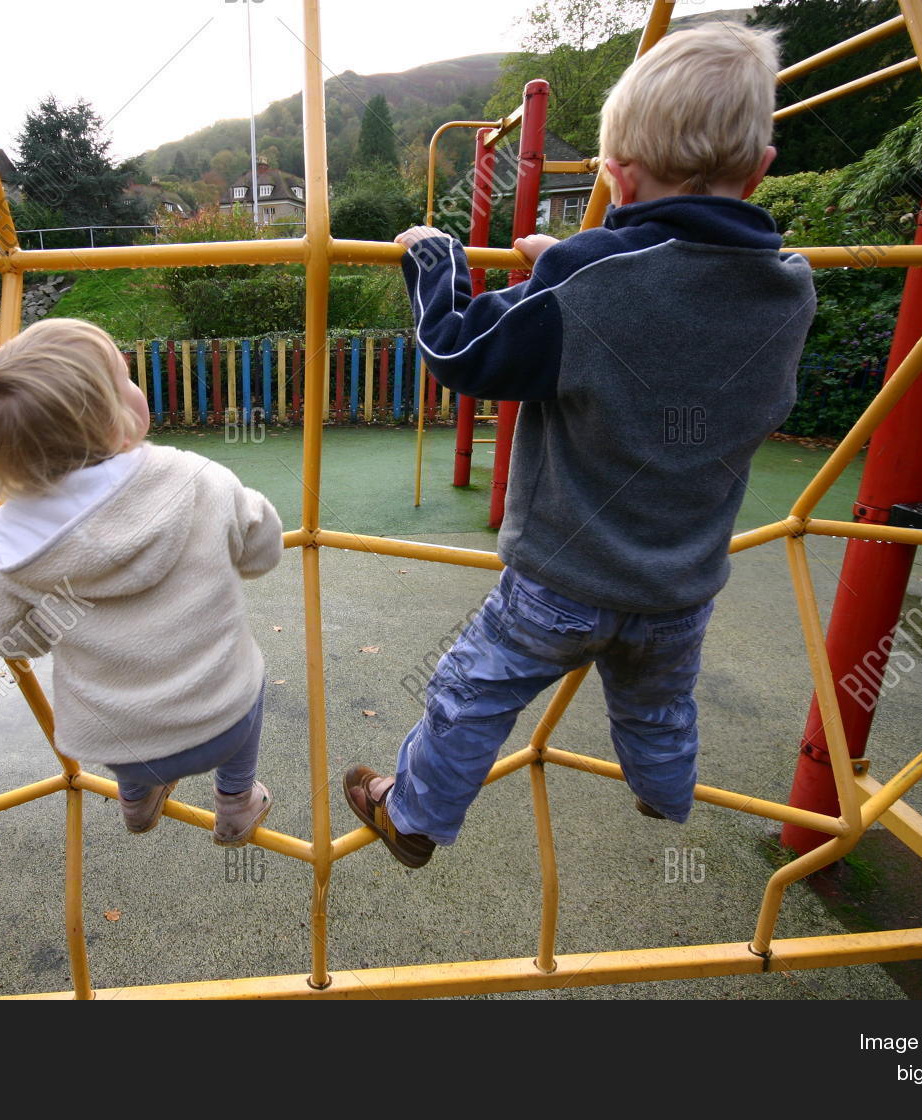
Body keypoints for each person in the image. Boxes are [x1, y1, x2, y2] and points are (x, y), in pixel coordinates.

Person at [344, 23, 816, 868]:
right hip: (677, 589)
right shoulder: (787, 288)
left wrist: (437, 260)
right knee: (658, 704)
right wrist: (569, 264)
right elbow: (676, 312)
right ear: (761, 169)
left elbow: (462, 350)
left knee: (471, 691)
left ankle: (410, 814)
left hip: (562, 582)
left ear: (616, 176)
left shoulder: (591, 282)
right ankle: (664, 793)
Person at [0, 318, 283, 847]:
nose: (136, 385)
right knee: (251, 679)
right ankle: (236, 801)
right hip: (221, 722)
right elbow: (261, 552)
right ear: (119, 420)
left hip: (117, 746)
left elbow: (7, 638)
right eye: (124, 378)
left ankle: (136, 801)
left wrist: (56, 612)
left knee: (125, 723)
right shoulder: (199, 478)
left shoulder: (9, 539)